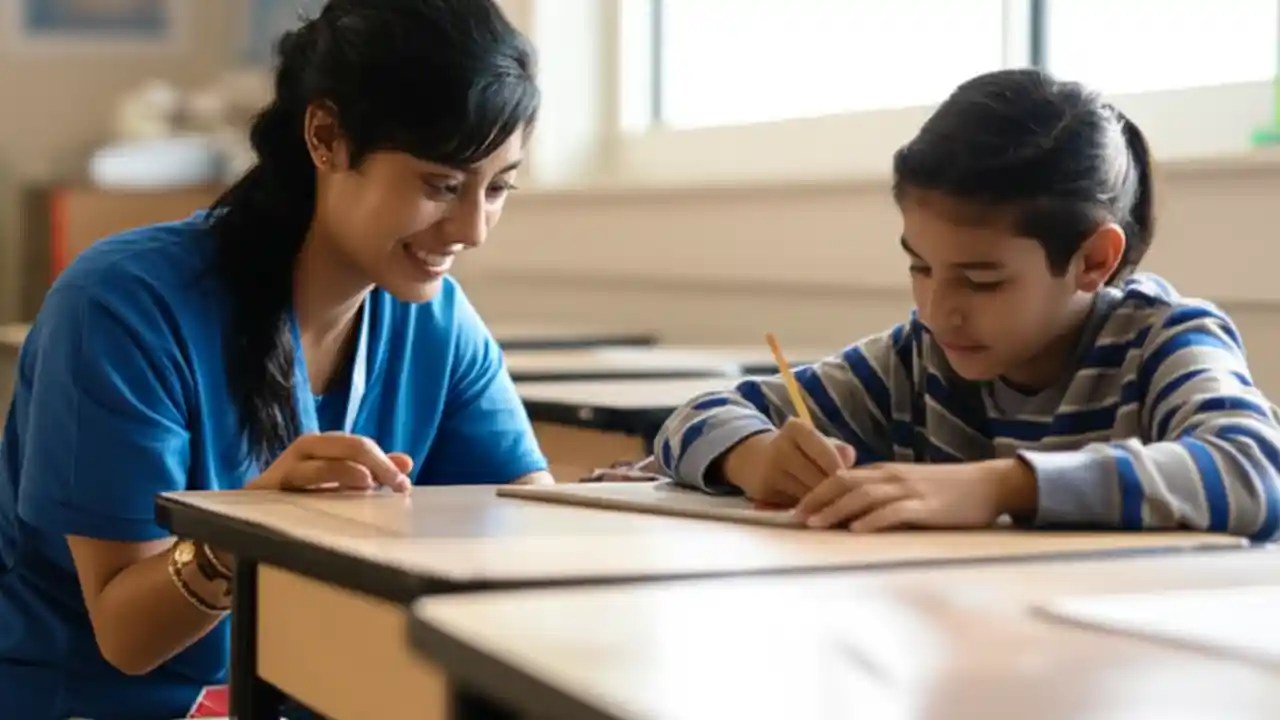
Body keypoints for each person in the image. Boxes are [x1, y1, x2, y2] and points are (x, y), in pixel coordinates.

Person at [0, 1, 548, 717]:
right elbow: (127, 638)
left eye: (499, 187)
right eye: (440, 185)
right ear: (326, 137)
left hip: (300, 689)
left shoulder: (437, 323)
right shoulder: (122, 304)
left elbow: (532, 533)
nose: (473, 228)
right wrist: (244, 533)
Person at [654, 68, 1280, 541]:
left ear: (1093, 261)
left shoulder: (1163, 342)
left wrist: (1002, 486)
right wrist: (754, 458)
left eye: (982, 281)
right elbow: (691, 419)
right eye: (920, 267)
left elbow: (1254, 471)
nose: (937, 309)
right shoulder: (917, 362)